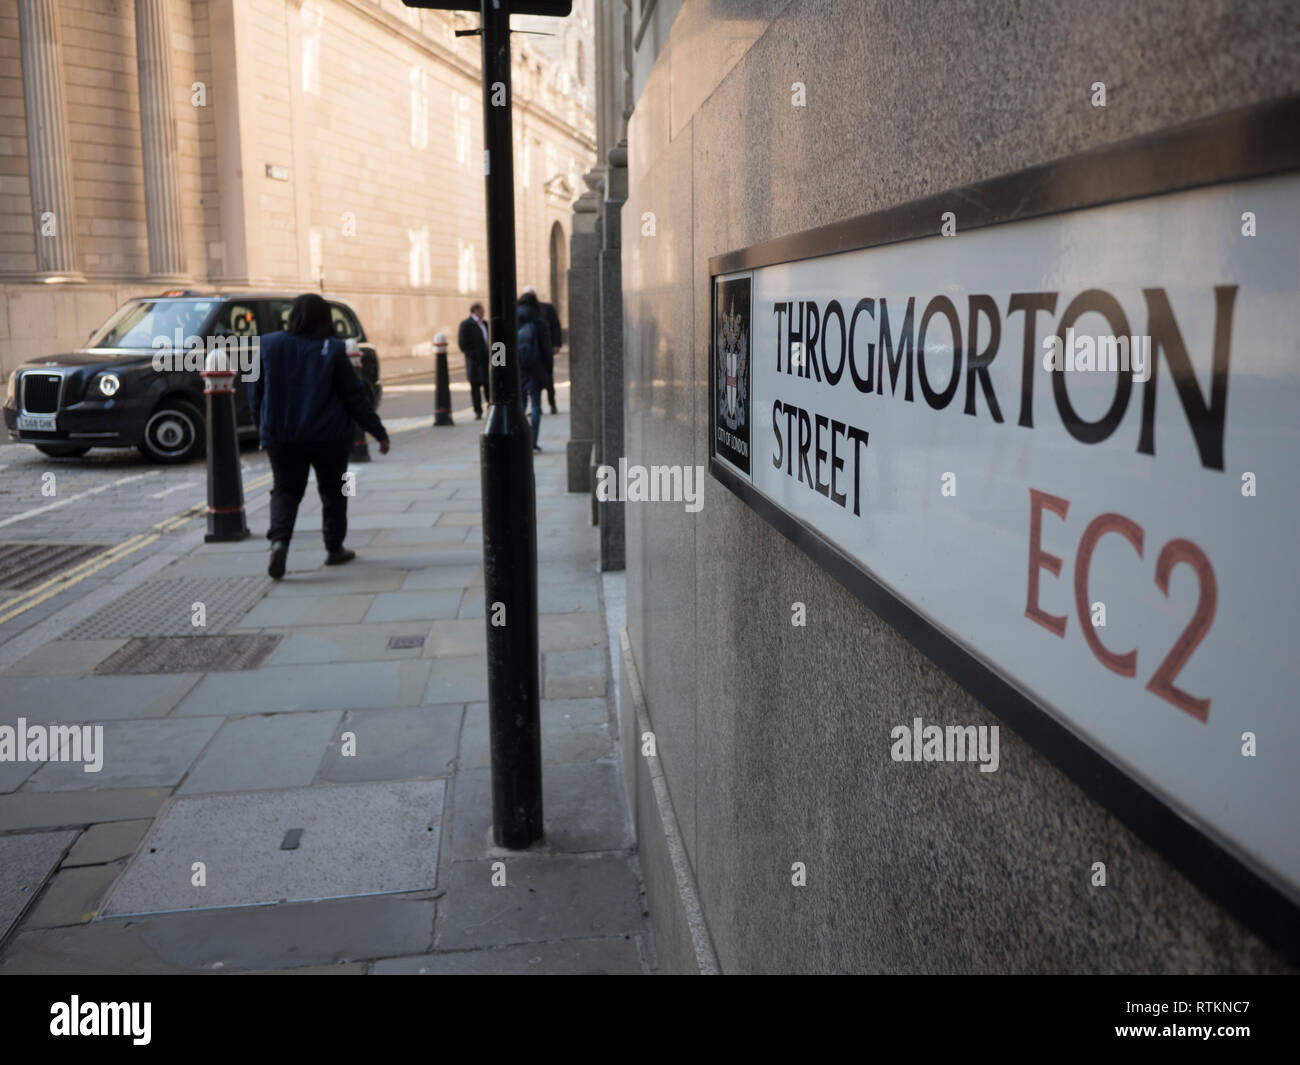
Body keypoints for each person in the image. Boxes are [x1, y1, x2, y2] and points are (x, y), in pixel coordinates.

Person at [250, 293, 390, 580]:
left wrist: (262, 429)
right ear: (326, 318)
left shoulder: (268, 345)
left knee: (285, 491)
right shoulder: (334, 349)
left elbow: (256, 394)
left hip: (282, 437)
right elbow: (355, 397)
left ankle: (279, 542)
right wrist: (378, 432)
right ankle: (334, 548)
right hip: (328, 437)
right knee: (334, 492)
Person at [516, 290, 553, 453]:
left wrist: (500, 364)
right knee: (536, 405)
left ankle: (519, 440)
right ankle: (532, 442)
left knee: (521, 405)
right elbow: (546, 349)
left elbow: (500, 345)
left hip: (518, 369)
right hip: (536, 369)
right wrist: (549, 369)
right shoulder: (539, 320)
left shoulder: (512, 318)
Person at [524, 285, 562, 414]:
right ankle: (535, 408)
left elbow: (555, 326)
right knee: (533, 386)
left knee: (546, 382)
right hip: (530, 355)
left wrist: (556, 344)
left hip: (535, 354)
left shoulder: (546, 309)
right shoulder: (520, 313)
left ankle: (552, 404)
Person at [456, 301, 490, 419]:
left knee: (488, 386)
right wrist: (475, 356)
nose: (484, 312)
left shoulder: (485, 324)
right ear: (476, 310)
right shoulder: (466, 324)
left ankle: (491, 408)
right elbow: (463, 344)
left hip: (487, 361)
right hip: (474, 362)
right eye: (482, 310)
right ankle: (478, 411)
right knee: (475, 388)